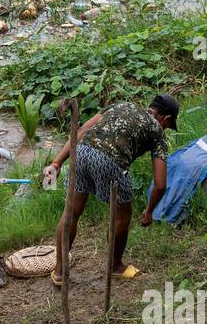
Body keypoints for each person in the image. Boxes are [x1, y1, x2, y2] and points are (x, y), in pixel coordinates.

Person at [41, 94, 178, 287]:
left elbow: (81, 130)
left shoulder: (121, 105)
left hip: (81, 152)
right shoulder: (157, 131)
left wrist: (56, 163)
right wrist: (149, 211)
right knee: (123, 216)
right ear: (166, 118)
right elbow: (161, 183)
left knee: (71, 211)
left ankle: (60, 272)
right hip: (110, 160)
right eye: (168, 126)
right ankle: (115, 266)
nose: (165, 128)